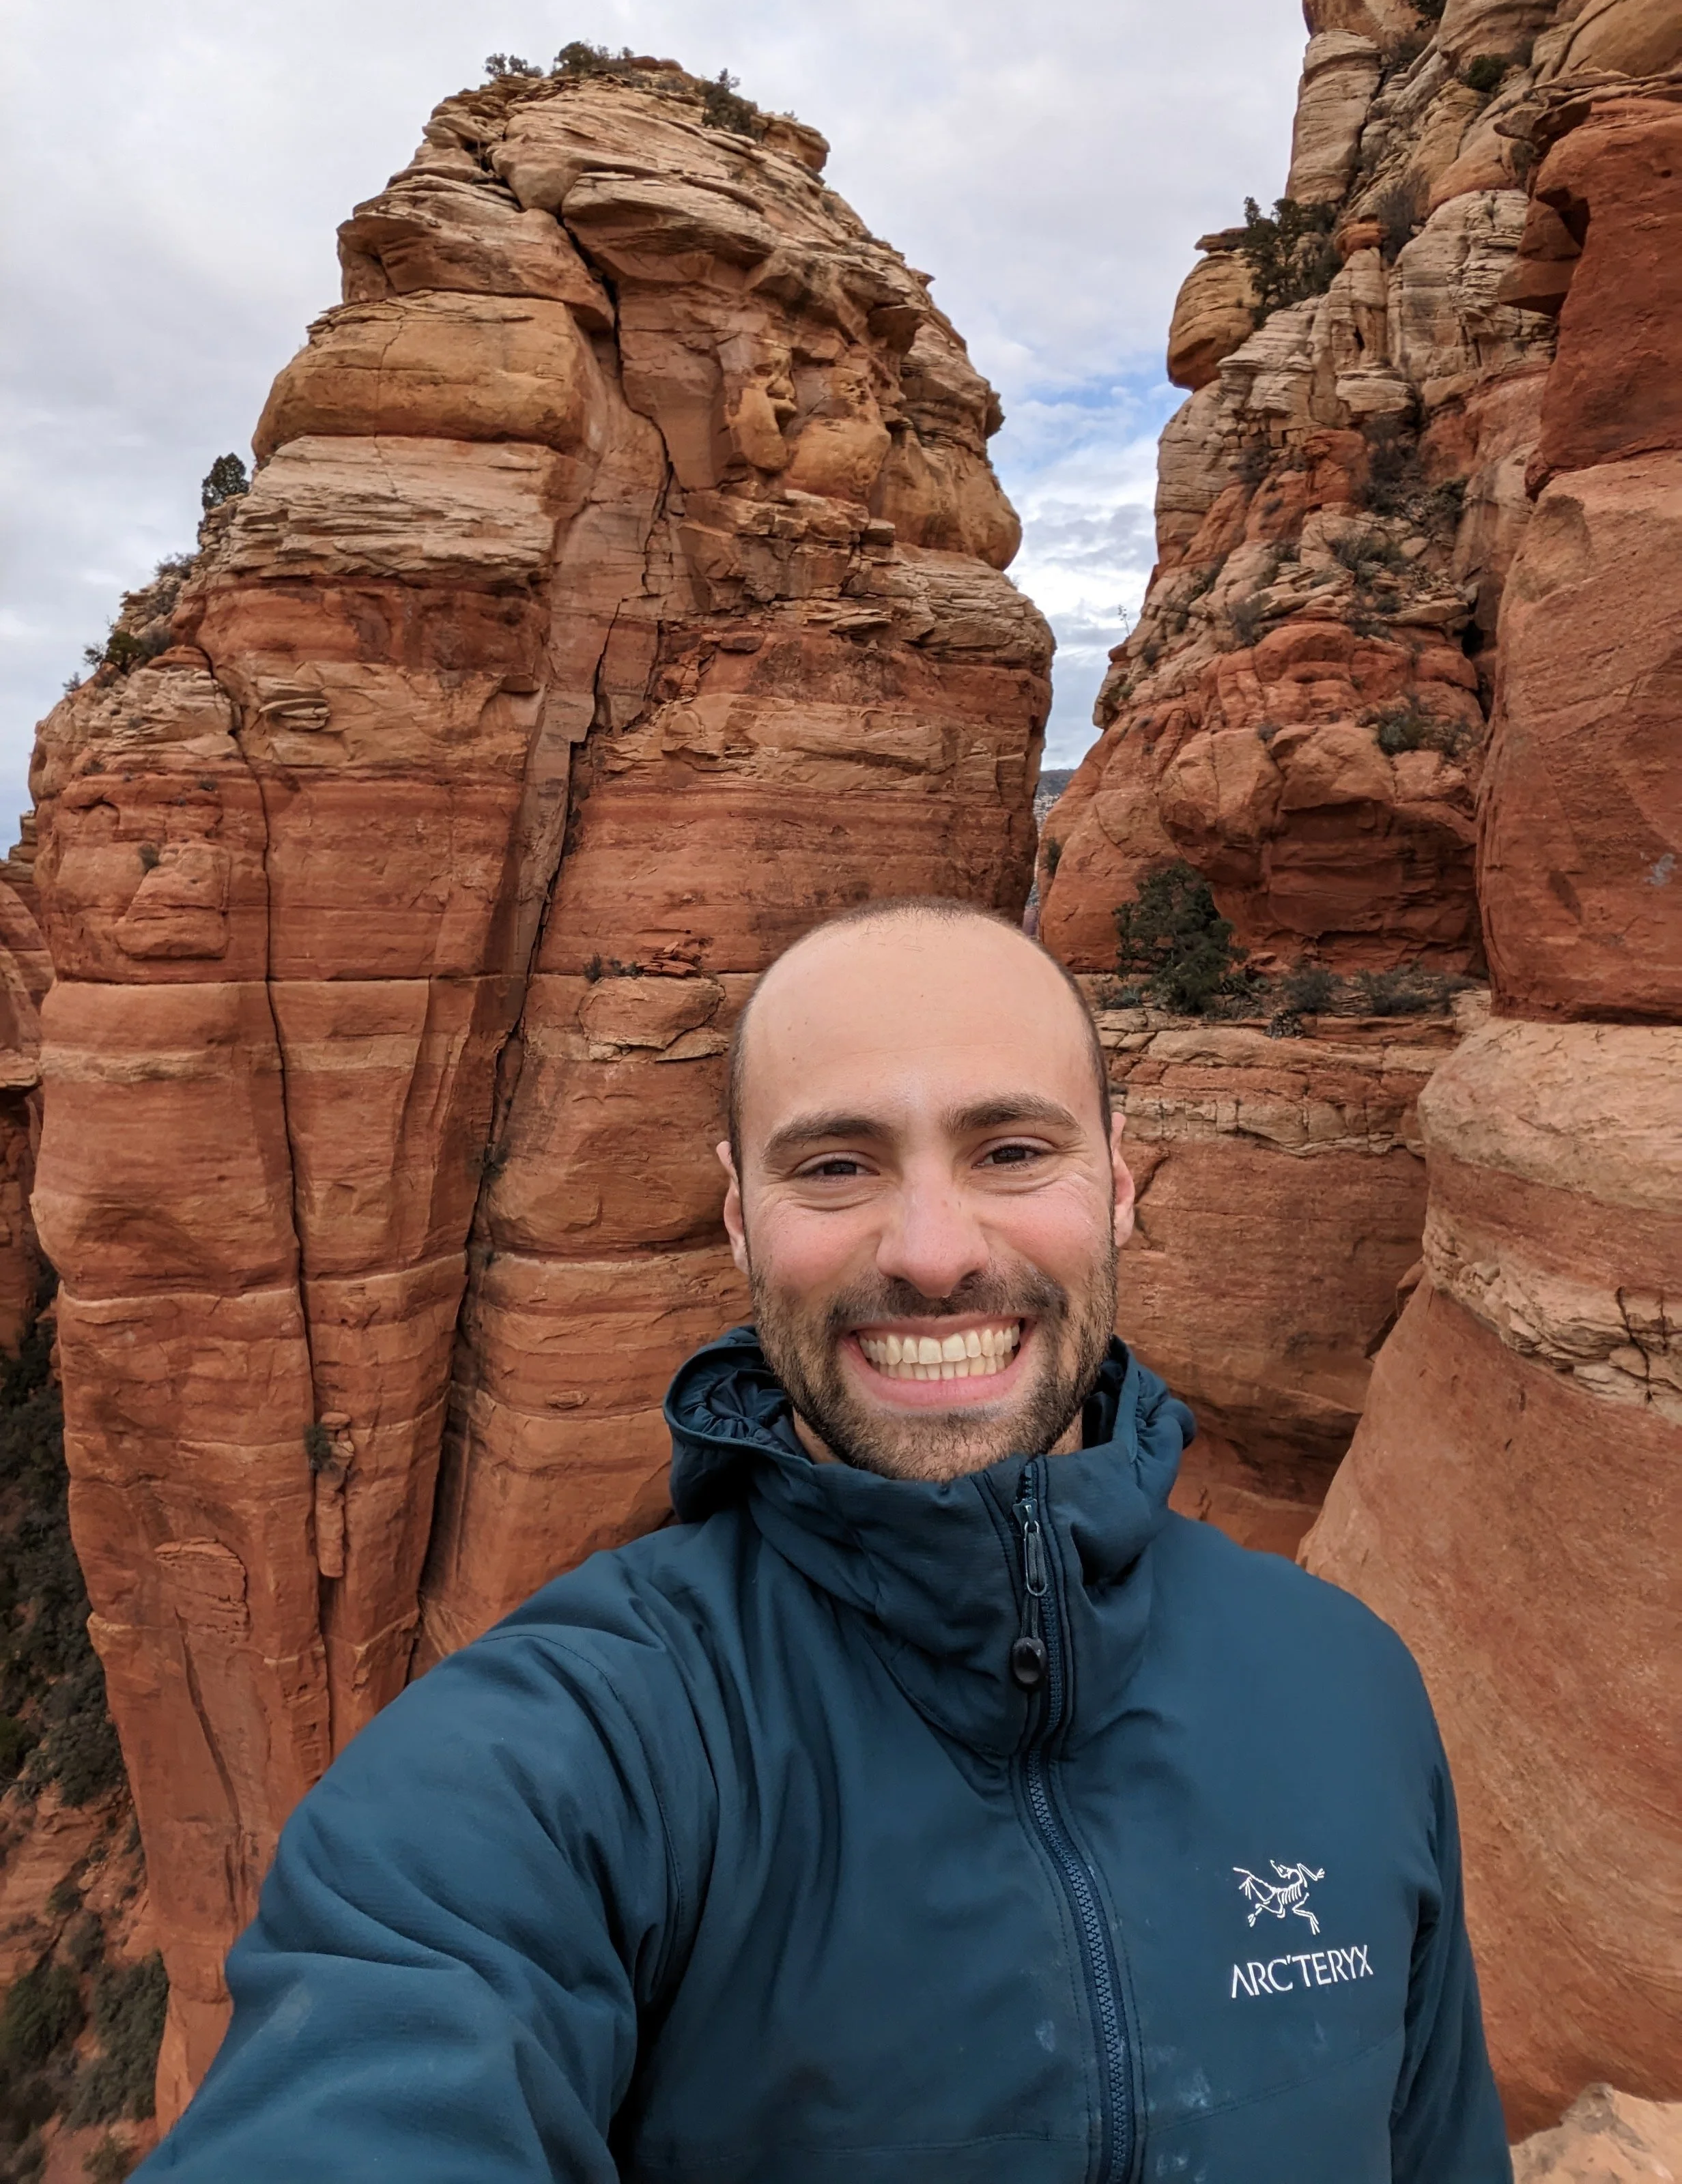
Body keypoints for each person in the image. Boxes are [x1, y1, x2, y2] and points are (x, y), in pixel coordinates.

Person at [139, 899, 1511, 2183]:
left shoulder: (1346, 1687)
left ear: (1119, 1187)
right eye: (838, 1164)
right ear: (739, 1214)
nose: (927, 1249)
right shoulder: (565, 1752)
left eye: (1011, 1151)